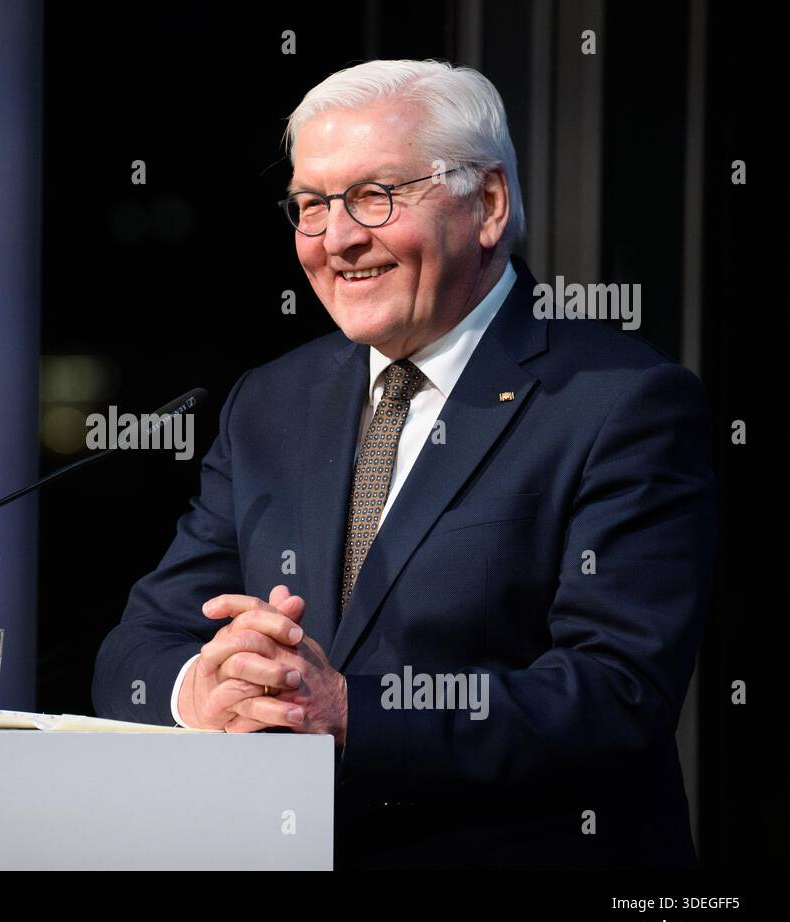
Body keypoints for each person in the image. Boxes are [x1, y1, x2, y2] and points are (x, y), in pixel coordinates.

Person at [91, 59, 717, 868]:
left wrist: (351, 713)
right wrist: (206, 687)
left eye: (374, 195)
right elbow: (137, 649)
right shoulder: (272, 402)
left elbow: (616, 695)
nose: (338, 238)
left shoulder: (622, 402)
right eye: (311, 204)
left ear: (486, 204)